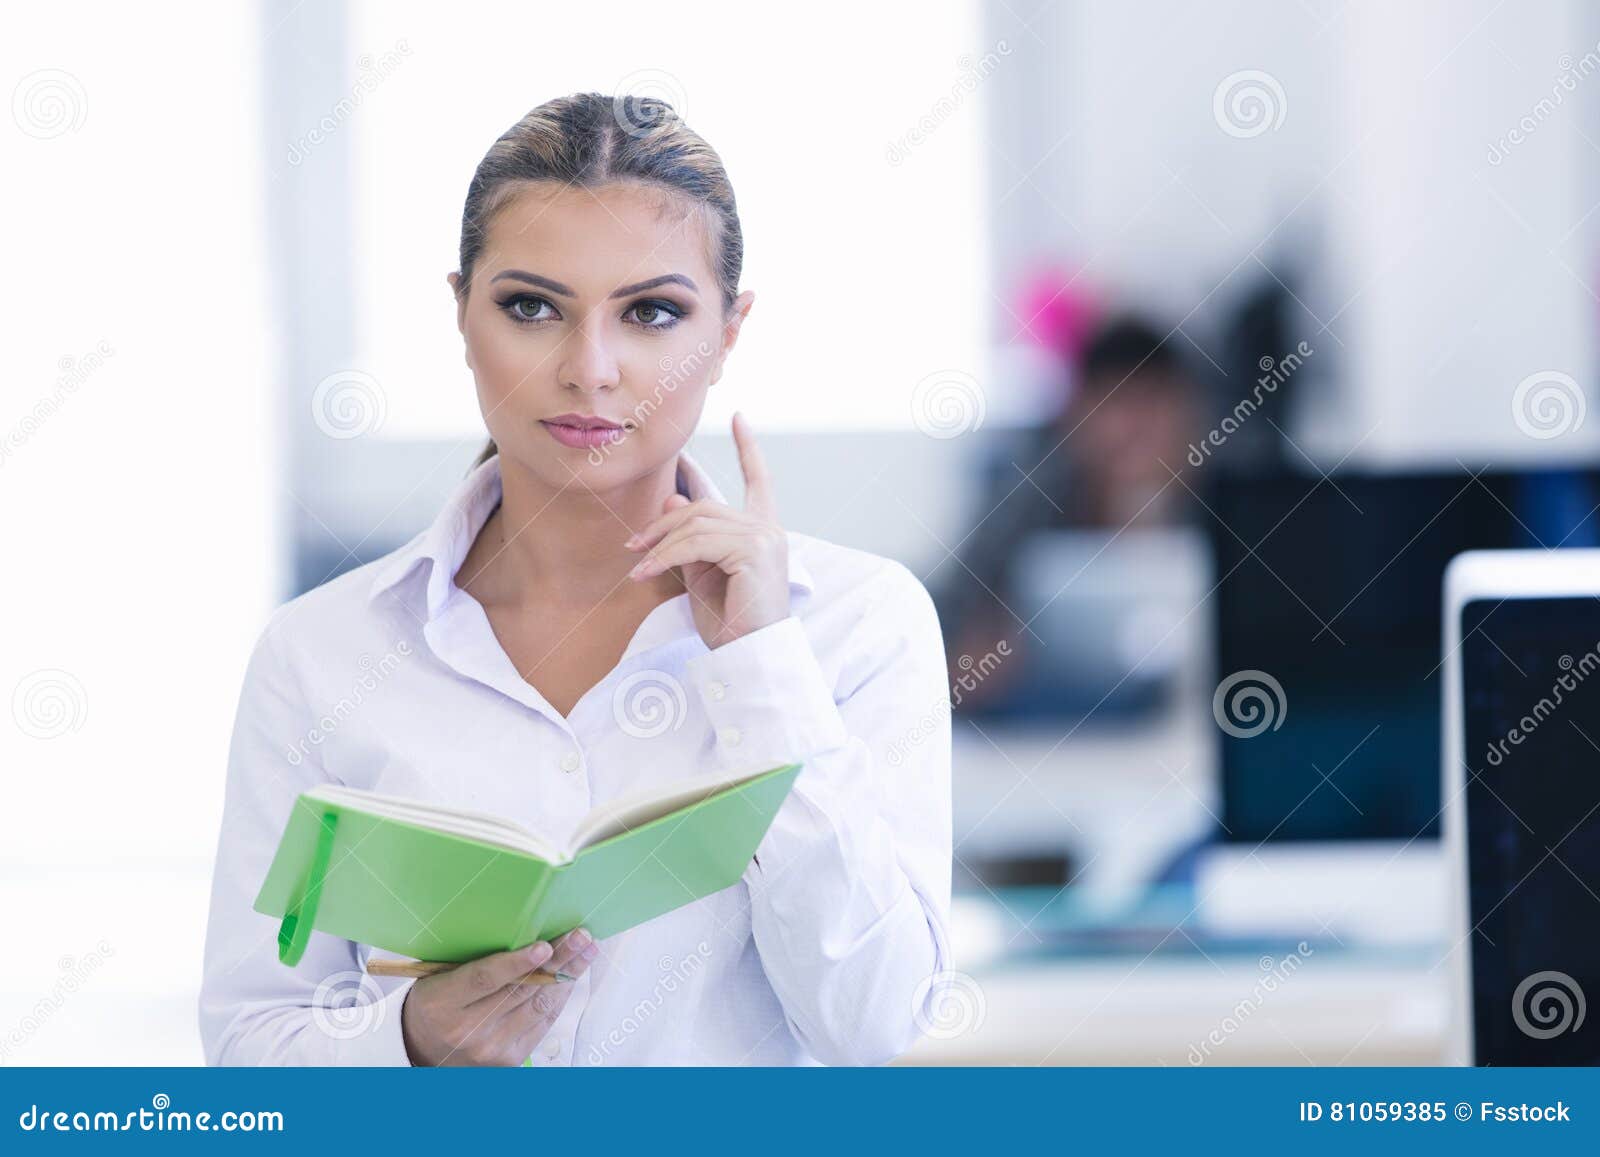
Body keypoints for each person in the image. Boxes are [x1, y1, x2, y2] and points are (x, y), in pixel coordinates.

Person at [198, 93, 953, 1066]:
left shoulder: (855, 622)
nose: (590, 368)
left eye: (650, 312)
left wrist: (764, 668)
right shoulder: (320, 652)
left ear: (729, 331)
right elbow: (250, 1045)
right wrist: (409, 1039)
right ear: (462, 314)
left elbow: (874, 1024)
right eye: (531, 306)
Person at [932, 314, 1200, 712]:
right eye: (1118, 404)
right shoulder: (1027, 496)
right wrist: (974, 662)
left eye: (1154, 403)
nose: (1136, 429)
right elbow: (946, 633)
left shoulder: (1221, 504)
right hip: (1037, 739)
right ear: (1078, 413)